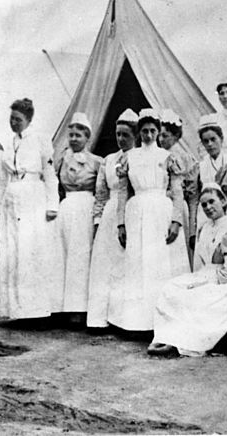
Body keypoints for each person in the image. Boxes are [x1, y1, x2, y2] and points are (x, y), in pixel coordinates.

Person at [110, 108, 190, 331]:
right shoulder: (129, 157)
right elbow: (123, 192)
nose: (148, 135)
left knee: (160, 263)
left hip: (161, 212)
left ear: (158, 131)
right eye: (144, 131)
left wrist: (176, 221)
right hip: (136, 212)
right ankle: (136, 322)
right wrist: (120, 223)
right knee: (139, 264)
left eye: (152, 130)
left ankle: (164, 321)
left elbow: (177, 191)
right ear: (138, 132)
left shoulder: (167, 157)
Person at [149, 183, 227, 357]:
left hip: (222, 281)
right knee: (171, 287)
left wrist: (204, 282)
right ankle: (166, 337)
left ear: (223, 201)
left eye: (212, 201)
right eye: (204, 204)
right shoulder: (204, 228)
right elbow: (200, 263)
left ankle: (183, 343)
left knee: (195, 295)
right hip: (204, 274)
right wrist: (197, 279)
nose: (208, 207)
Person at [0, 98, 60, 320]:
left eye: (18, 119)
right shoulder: (7, 144)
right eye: (11, 119)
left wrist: (53, 205)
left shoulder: (40, 141)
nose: (14, 123)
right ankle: (16, 310)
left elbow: (50, 174)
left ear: (29, 120)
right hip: (11, 201)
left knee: (31, 251)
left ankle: (36, 310)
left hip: (33, 198)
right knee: (13, 252)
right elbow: (1, 180)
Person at [86, 109, 139, 330]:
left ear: (135, 136)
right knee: (105, 266)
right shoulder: (108, 160)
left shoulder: (140, 158)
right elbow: (101, 194)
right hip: (110, 213)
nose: (120, 139)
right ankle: (101, 318)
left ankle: (123, 318)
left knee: (125, 265)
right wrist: (98, 221)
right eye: (118, 134)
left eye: (125, 135)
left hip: (133, 211)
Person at [53, 112, 103, 325]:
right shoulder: (62, 159)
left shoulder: (97, 162)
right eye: (71, 135)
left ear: (87, 138)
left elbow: (102, 191)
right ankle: (60, 307)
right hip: (66, 210)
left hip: (85, 209)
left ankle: (80, 308)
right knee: (62, 256)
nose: (74, 139)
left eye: (78, 136)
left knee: (81, 258)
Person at [159, 109, 195, 260]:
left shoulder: (182, 157)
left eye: (165, 136)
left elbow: (185, 189)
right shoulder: (159, 155)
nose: (161, 139)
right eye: (159, 135)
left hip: (177, 206)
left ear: (176, 137)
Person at [189, 114, 227, 237]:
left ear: (221, 138)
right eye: (206, 141)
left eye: (213, 139)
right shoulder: (200, 166)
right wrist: (193, 231)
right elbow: (194, 200)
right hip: (205, 214)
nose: (210, 144)